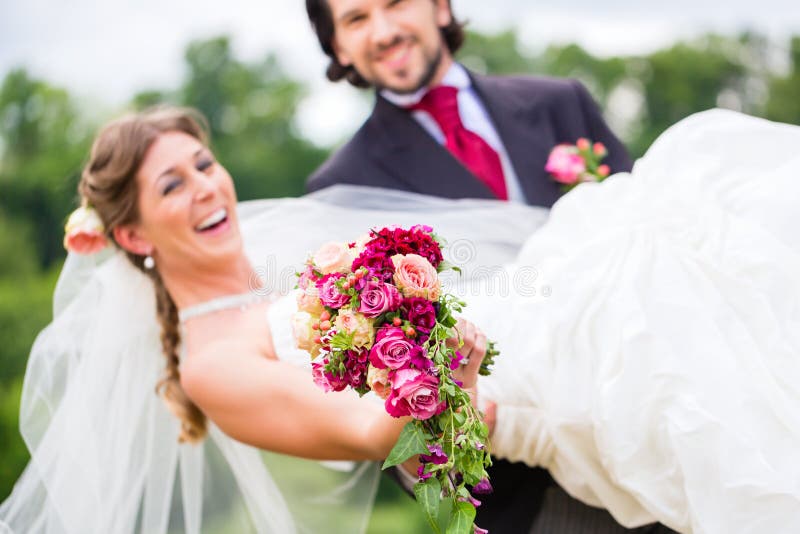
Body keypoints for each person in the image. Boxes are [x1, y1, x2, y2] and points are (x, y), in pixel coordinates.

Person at [0, 107, 490, 534]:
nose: (206, 188)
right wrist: (451, 370)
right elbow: (374, 434)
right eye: (173, 185)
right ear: (133, 237)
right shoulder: (213, 366)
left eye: (205, 165)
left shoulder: (301, 253)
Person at [302, 0, 650, 531]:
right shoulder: (342, 186)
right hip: (535, 488)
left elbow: (649, 240)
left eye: (395, 3)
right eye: (355, 19)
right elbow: (384, 366)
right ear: (338, 47)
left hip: (651, 414)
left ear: (441, 7)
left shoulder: (559, 102)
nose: (383, 30)